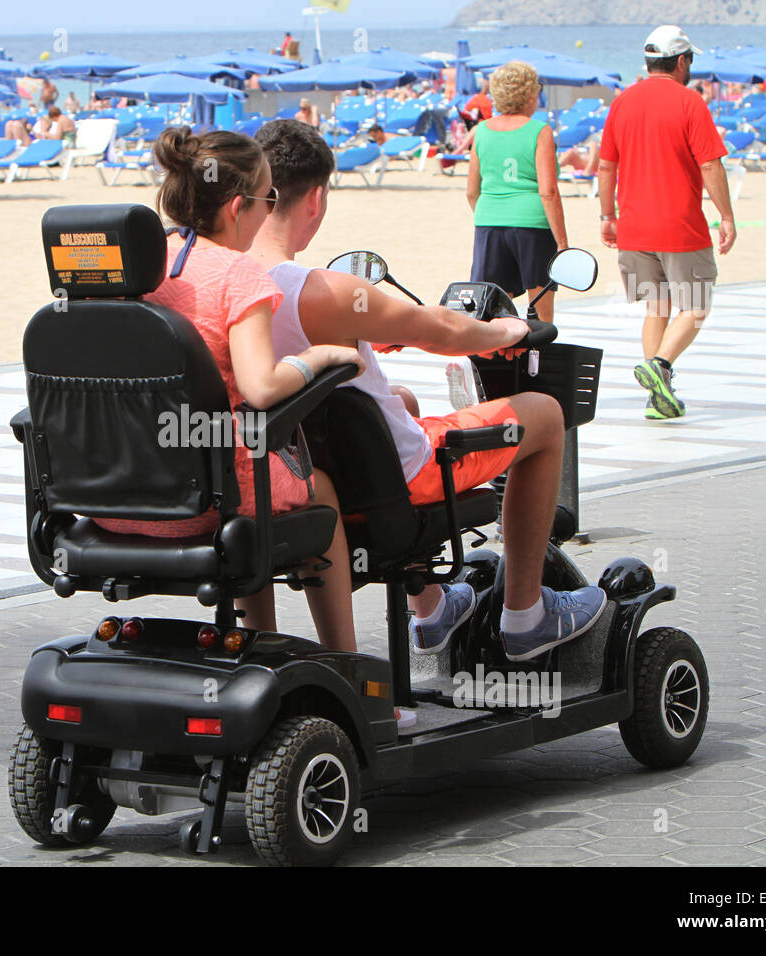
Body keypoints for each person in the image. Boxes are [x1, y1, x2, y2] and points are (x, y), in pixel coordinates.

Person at [252, 119, 608, 663]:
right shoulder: (326, 289)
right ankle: (526, 615)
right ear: (317, 198)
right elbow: (440, 329)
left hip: (297, 467)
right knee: (544, 415)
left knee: (402, 401)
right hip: (405, 473)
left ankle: (433, 605)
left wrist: (373, 340)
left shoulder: (232, 282)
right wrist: (503, 331)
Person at [92, 126, 365, 652]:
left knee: (248, 477)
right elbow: (262, 388)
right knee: (317, 490)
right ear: (239, 206)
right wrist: (315, 357)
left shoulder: (137, 269)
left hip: (115, 497)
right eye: (267, 201)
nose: (267, 214)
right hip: (207, 502)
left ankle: (257, 642)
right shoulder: (239, 274)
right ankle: (345, 660)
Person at [597, 25, 736, 421]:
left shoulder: (622, 102)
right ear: (681, 61)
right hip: (681, 226)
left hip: (634, 228)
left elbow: (607, 165)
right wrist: (725, 216)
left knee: (656, 308)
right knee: (695, 307)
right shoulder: (689, 102)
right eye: (690, 59)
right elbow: (710, 163)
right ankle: (660, 366)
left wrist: (608, 216)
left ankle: (658, 397)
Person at [466, 61, 568, 330]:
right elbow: (548, 192)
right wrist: (562, 243)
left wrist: (490, 213)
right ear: (531, 95)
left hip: (489, 220)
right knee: (541, 312)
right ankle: (539, 363)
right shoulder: (539, 130)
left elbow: (471, 190)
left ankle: (496, 365)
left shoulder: (482, 130)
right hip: (532, 223)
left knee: (492, 309)